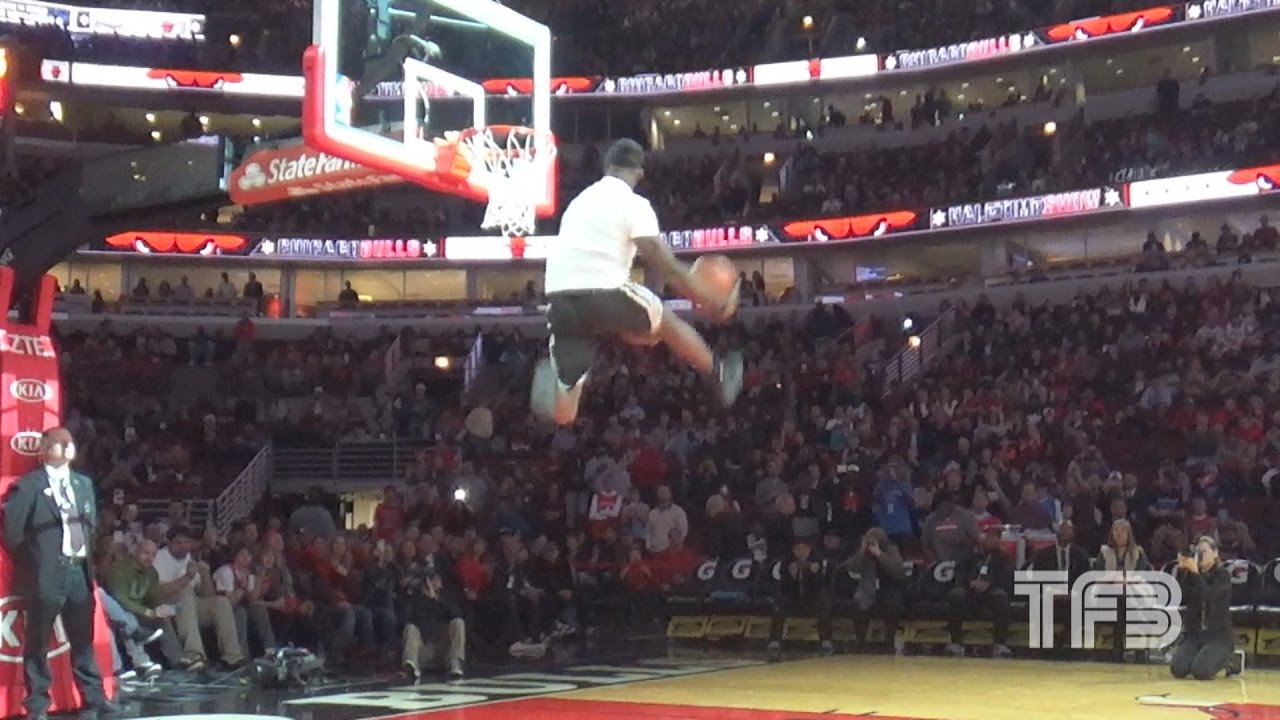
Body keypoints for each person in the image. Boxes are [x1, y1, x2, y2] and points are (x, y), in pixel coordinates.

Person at [530, 138, 743, 426]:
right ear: (639, 172)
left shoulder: (578, 202)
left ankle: (555, 390)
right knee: (666, 321)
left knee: (566, 413)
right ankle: (718, 374)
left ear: (607, 167)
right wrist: (709, 298)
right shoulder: (633, 204)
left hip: (559, 297)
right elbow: (664, 264)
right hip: (603, 289)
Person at [1, 428, 115, 720]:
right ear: (43, 448)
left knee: (83, 640)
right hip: (44, 575)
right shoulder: (27, 487)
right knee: (37, 642)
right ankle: (37, 704)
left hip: (78, 570)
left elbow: (91, 526)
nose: (65, 447)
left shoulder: (83, 484)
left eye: (69, 443)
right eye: (58, 443)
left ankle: (95, 698)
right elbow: (12, 533)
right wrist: (36, 563)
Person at [1172, 536, 1242, 680]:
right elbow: (1181, 597)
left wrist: (1196, 574)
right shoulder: (1192, 575)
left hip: (1218, 637)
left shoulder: (1222, 576)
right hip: (1196, 635)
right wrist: (1182, 569)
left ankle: (1231, 660)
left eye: (1204, 551)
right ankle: (1199, 656)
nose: (1201, 555)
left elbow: (1209, 597)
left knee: (1201, 672)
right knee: (1178, 669)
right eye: (1198, 551)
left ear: (1215, 553)